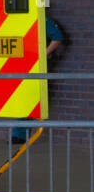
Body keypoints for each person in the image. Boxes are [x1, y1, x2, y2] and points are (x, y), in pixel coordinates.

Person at [13, 12, 67, 142]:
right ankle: (19, 133)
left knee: (27, 98)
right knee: (23, 98)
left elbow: (58, 38)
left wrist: (41, 56)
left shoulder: (42, 18)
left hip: (34, 65)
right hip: (22, 62)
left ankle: (19, 134)